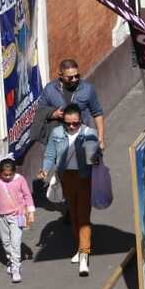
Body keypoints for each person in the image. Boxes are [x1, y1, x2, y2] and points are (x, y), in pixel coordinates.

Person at [39, 104, 101, 275]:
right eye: (68, 123)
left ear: (81, 120)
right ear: (63, 122)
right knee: (73, 214)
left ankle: (84, 255)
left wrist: (95, 156)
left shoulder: (89, 134)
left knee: (83, 215)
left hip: (84, 178)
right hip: (65, 178)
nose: (72, 127)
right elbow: (50, 154)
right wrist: (45, 169)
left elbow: (96, 157)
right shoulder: (57, 134)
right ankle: (80, 247)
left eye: (75, 123)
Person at [36, 59, 106, 149]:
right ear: (61, 75)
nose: (74, 79)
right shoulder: (50, 90)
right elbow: (40, 112)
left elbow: (98, 113)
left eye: (77, 76)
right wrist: (54, 114)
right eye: (70, 77)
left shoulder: (87, 89)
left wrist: (100, 139)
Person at [0, 158, 35, 283]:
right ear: (0, 173)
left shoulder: (20, 180)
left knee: (15, 242)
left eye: (10, 174)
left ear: (14, 171)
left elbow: (27, 195)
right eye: (5, 175)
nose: (7, 177)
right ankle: (10, 259)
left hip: (17, 215)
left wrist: (31, 211)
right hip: (2, 216)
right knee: (6, 242)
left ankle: (15, 268)